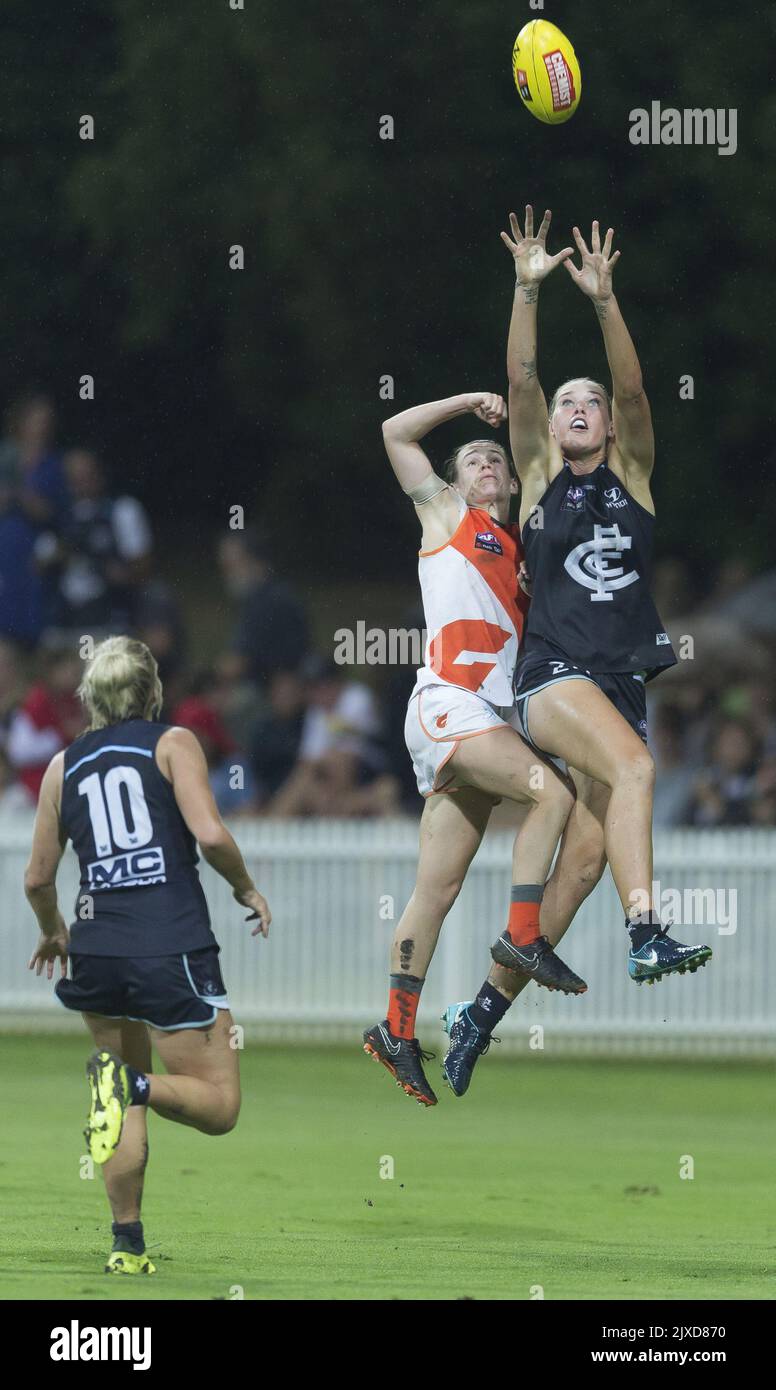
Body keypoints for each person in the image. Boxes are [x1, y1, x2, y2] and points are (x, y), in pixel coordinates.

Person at [441, 208, 713, 1099]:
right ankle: (648, 933)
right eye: (569, 403)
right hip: (555, 679)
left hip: (622, 683)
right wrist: (526, 288)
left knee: (586, 863)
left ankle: (478, 1012)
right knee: (634, 768)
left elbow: (636, 395)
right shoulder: (541, 480)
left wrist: (603, 302)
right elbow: (520, 377)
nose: (581, 408)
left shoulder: (631, 477)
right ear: (550, 429)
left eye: (589, 401)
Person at [363, 390, 588, 1108]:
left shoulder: (527, 555)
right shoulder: (448, 517)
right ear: (455, 484)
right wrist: (468, 404)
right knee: (551, 794)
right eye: (472, 459)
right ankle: (524, 935)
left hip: (485, 721)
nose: (486, 462)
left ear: (514, 482)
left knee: (438, 886)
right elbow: (395, 431)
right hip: (449, 706)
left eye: (496, 457)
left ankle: (395, 1030)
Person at [25, 636, 271, 1275]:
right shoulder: (173, 742)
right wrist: (245, 886)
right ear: (152, 691)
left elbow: (36, 877)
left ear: (91, 698)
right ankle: (131, 1085)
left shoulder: (62, 766)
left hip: (98, 950)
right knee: (218, 1106)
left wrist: (53, 929)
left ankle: (126, 1244)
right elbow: (210, 833)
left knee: (119, 1101)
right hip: (171, 946)